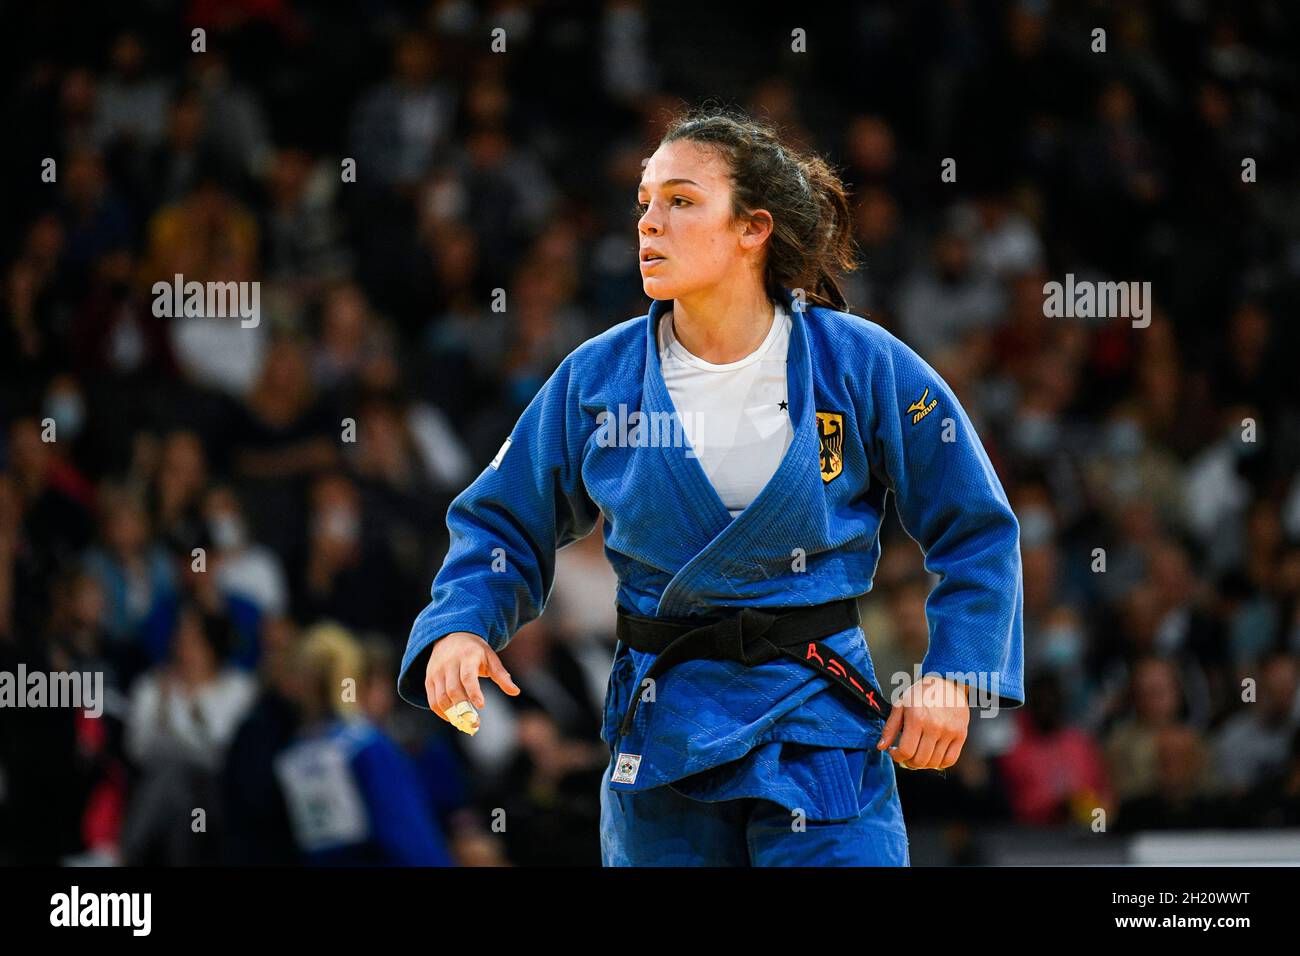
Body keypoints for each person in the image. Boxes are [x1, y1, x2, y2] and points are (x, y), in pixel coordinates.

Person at [398, 107, 1025, 866]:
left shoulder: (858, 364)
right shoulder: (598, 380)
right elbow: (501, 522)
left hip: (821, 729)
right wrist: (462, 623)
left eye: (681, 201)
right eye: (644, 202)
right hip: (665, 738)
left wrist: (956, 674)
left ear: (752, 229)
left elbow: (977, 527)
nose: (648, 224)